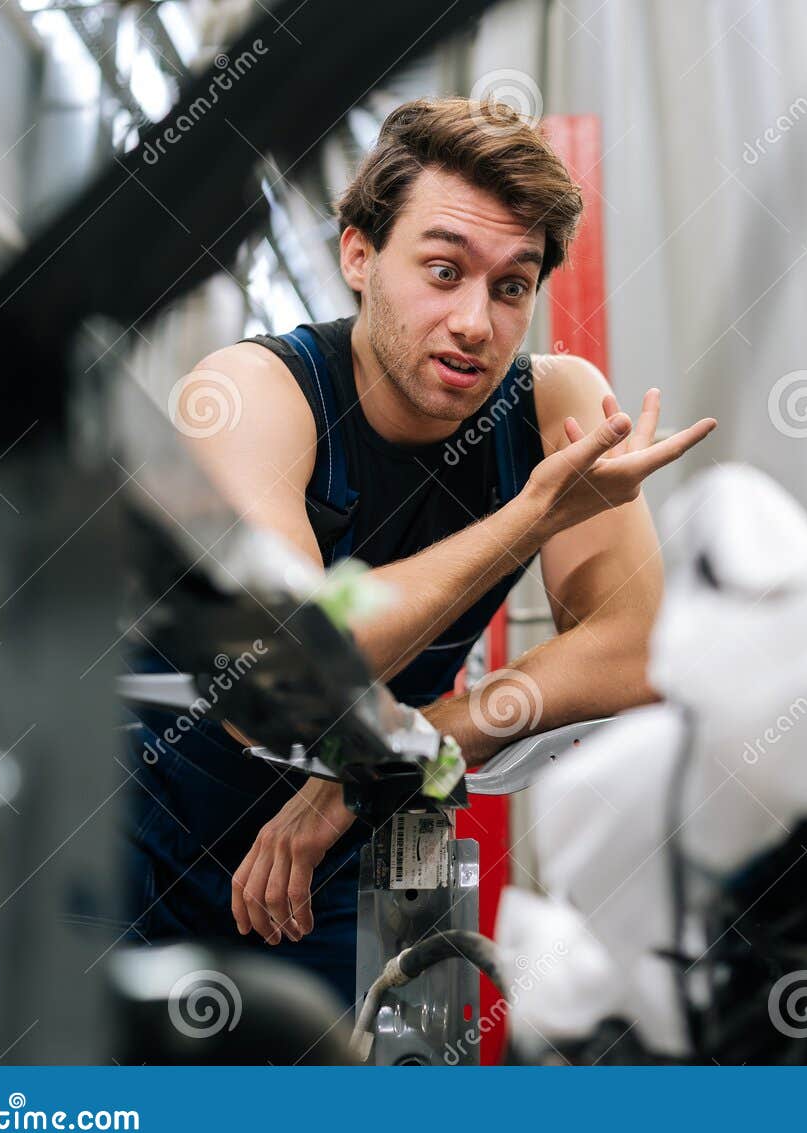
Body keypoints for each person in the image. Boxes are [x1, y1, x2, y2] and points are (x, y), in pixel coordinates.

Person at [122, 97, 716, 1007]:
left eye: (511, 286)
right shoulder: (251, 393)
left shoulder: (554, 401)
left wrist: (393, 764)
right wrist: (531, 517)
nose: (476, 322)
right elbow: (282, 681)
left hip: (340, 860)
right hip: (146, 834)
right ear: (359, 254)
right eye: (443, 270)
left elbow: (638, 651)